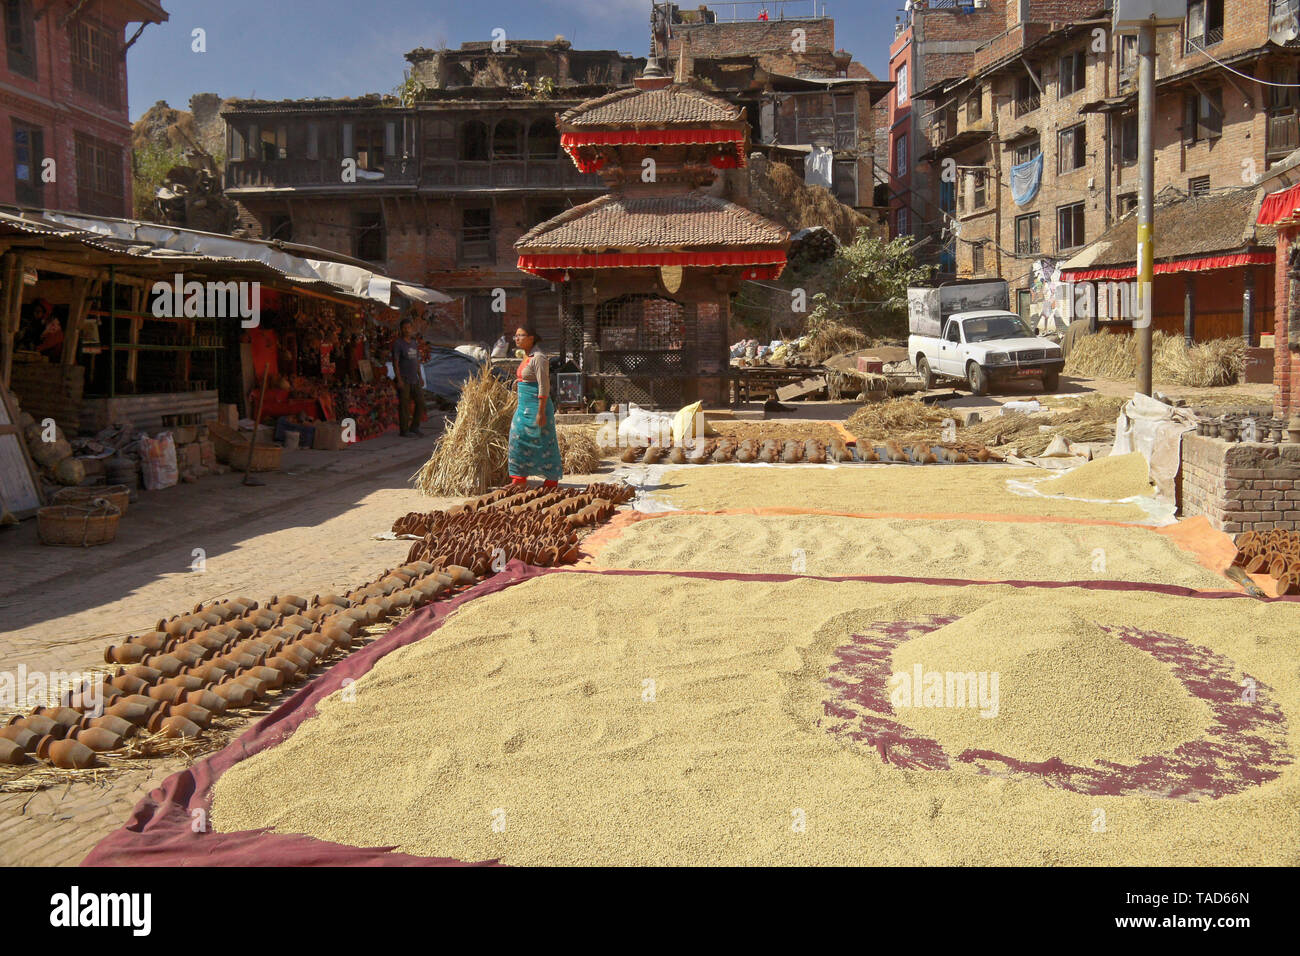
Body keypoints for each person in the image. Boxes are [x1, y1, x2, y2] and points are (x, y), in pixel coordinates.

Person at [507, 324, 562, 488]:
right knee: (517, 439)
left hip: (537, 407)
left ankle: (551, 480)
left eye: (521, 335)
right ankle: (518, 479)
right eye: (515, 336)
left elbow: (544, 385)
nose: (517, 339)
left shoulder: (539, 357)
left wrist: (541, 412)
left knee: (545, 442)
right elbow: (527, 378)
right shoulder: (526, 357)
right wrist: (519, 382)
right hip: (523, 407)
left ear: (531, 338)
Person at [391, 318, 426, 437]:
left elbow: (417, 361)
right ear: (401, 329)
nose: (406, 330)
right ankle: (404, 430)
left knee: (420, 402)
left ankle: (414, 427)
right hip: (404, 379)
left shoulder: (414, 343)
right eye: (404, 328)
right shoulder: (398, 344)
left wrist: (420, 376)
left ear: (412, 328)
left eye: (408, 328)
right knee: (404, 405)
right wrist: (399, 379)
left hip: (414, 378)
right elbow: (395, 362)